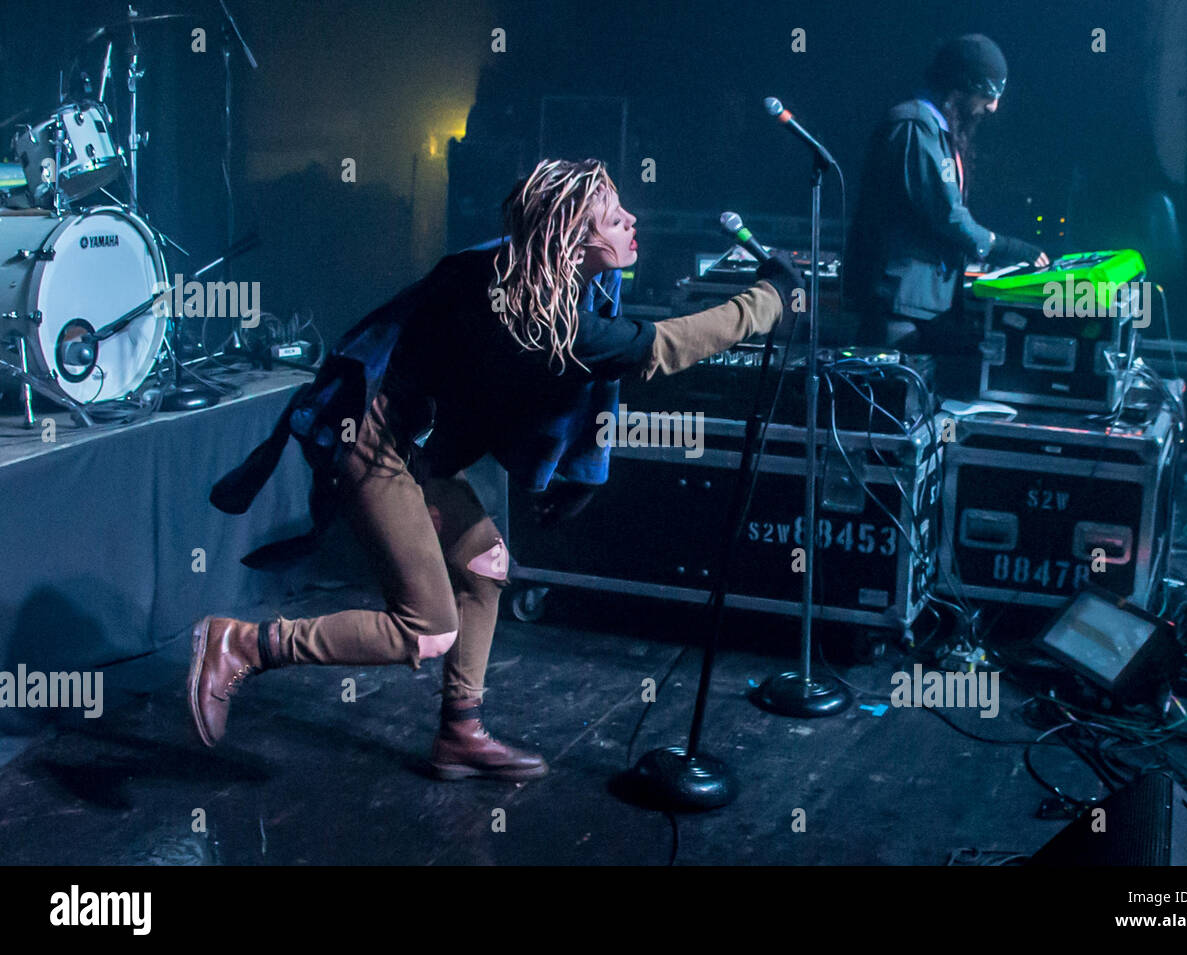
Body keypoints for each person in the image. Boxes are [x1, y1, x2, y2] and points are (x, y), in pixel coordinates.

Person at [190, 158, 803, 780]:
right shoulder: (529, 310)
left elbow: (589, 368)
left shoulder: (542, 279)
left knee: (485, 565)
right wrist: (769, 299)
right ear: (572, 236)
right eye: (614, 218)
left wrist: (579, 474)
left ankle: (460, 732)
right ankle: (243, 644)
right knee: (425, 629)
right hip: (369, 434)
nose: (632, 221)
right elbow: (660, 348)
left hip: (410, 438)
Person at [845, 33, 1050, 362]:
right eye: (988, 94)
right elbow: (947, 216)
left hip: (924, 305)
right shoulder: (914, 125)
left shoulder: (937, 129)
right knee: (891, 402)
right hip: (898, 307)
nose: (993, 106)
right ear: (960, 86)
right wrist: (1004, 248)